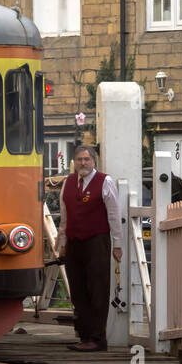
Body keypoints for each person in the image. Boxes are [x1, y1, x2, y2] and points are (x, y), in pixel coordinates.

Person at [56, 144, 123, 352]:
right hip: (74, 242)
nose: (83, 163)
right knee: (78, 291)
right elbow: (64, 218)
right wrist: (62, 244)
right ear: (74, 163)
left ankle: (97, 339)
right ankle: (84, 337)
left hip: (97, 241)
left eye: (86, 159)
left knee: (97, 289)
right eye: (79, 160)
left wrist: (117, 244)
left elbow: (114, 214)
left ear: (94, 161)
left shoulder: (105, 182)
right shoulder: (67, 183)